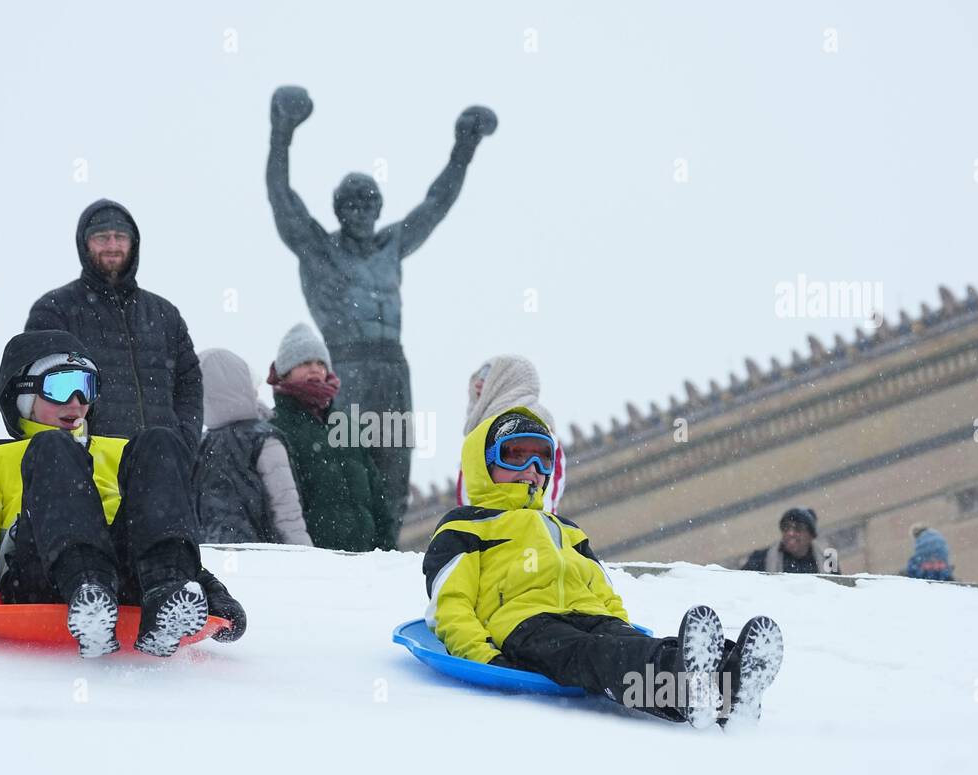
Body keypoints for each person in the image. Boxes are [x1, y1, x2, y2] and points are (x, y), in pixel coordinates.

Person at [423, 408, 784, 727]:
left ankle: (730, 677)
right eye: (516, 456)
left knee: (629, 644)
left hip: (591, 613)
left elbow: (602, 588)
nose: (531, 471)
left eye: (542, 459)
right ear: (483, 464)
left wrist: (618, 623)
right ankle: (682, 690)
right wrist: (486, 656)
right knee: (597, 656)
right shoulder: (466, 525)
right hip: (527, 625)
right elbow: (450, 604)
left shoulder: (565, 528)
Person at [266, 85, 497, 532]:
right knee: (348, 465)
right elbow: (283, 199)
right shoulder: (320, 249)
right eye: (351, 204)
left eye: (368, 202)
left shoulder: (391, 245)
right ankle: (346, 552)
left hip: (393, 367)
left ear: (378, 207)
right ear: (338, 210)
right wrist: (282, 133)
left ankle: (388, 550)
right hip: (347, 363)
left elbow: (437, 203)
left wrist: (464, 146)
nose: (361, 211)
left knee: (394, 469)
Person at [0, 330, 245, 658]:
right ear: (23, 397)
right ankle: (86, 589)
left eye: (86, 388)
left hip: (123, 577)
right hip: (39, 571)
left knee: (160, 442)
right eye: (59, 387)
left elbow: (156, 522)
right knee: (54, 447)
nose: (76, 403)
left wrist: (208, 586)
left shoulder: (118, 450)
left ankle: (165, 591)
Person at [26, 199, 203, 449]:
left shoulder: (164, 314)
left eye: (120, 237)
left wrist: (185, 442)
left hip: (162, 467)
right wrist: (71, 452)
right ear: (84, 244)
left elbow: (190, 385)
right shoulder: (55, 310)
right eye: (102, 237)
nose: (112, 245)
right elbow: (38, 390)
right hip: (89, 469)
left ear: (133, 243)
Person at [268, 324, 397, 552]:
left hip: (367, 560)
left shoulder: (348, 425)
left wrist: (387, 549)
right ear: (286, 371)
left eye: (320, 363)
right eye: (305, 362)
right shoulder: (276, 430)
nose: (315, 369)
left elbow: (377, 497)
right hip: (317, 564)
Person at [194, 348, 312, 545]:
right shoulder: (264, 439)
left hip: (213, 560)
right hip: (264, 561)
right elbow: (287, 512)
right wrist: (307, 560)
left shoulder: (200, 445)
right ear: (239, 385)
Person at [456, 355, 566, 513]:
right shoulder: (479, 442)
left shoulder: (540, 436)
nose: (478, 382)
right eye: (479, 375)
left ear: (507, 380)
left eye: (488, 374)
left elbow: (541, 509)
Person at [741, 507, 838, 574]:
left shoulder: (828, 560)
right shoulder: (761, 558)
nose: (790, 533)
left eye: (798, 528)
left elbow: (837, 593)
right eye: (785, 527)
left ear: (811, 535)